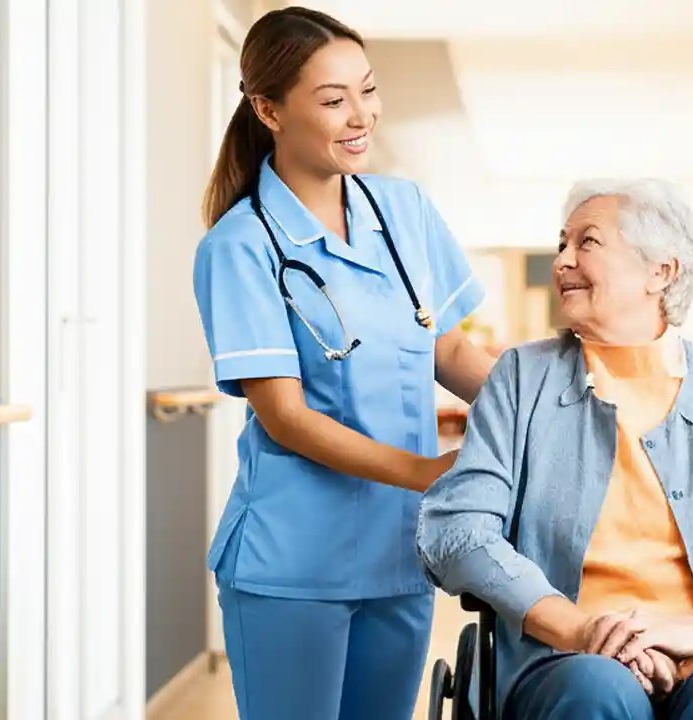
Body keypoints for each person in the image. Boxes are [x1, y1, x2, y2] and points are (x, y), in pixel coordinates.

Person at [417, 178, 693, 720]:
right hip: (565, 660)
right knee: (594, 688)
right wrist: (579, 629)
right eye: (562, 244)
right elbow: (455, 530)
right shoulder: (519, 380)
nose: (562, 262)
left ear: (661, 271)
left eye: (588, 243)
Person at [192, 7, 495, 720]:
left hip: (400, 554)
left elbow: (447, 348)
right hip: (292, 562)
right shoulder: (241, 246)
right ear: (268, 109)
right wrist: (424, 473)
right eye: (333, 100)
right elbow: (286, 416)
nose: (362, 115)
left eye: (367, 89)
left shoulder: (404, 210)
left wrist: (544, 407)